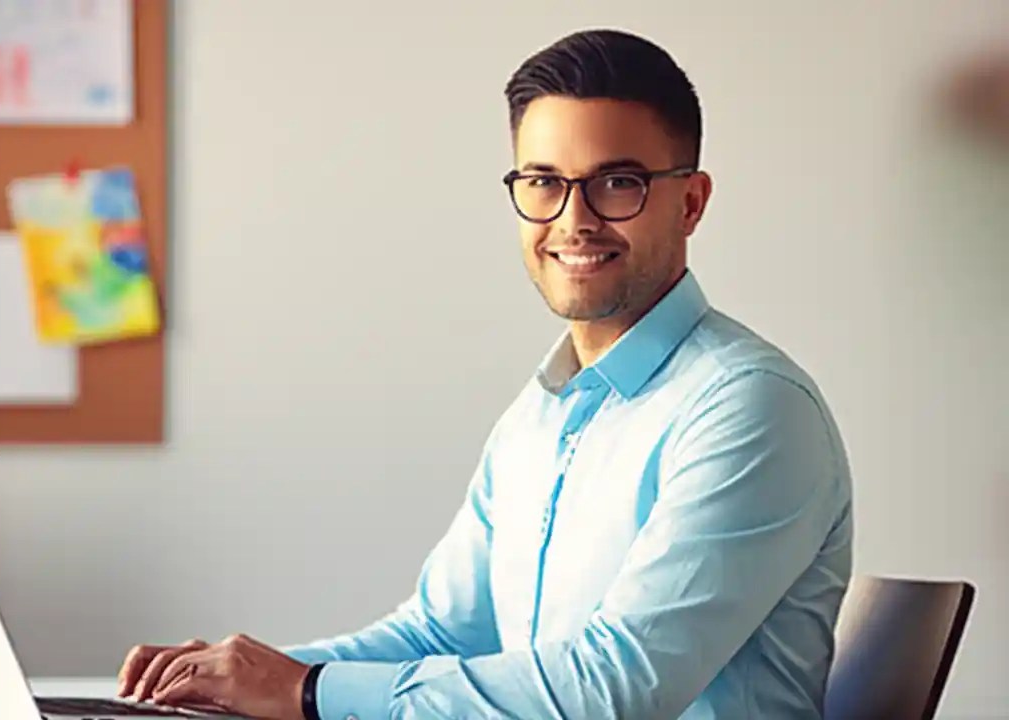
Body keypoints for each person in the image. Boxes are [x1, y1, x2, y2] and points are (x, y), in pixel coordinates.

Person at [116, 28, 853, 720]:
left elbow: (613, 689)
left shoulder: (750, 407)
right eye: (543, 181)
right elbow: (441, 630)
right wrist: (228, 683)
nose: (573, 219)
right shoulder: (538, 417)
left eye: (617, 183)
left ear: (690, 203)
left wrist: (306, 691)